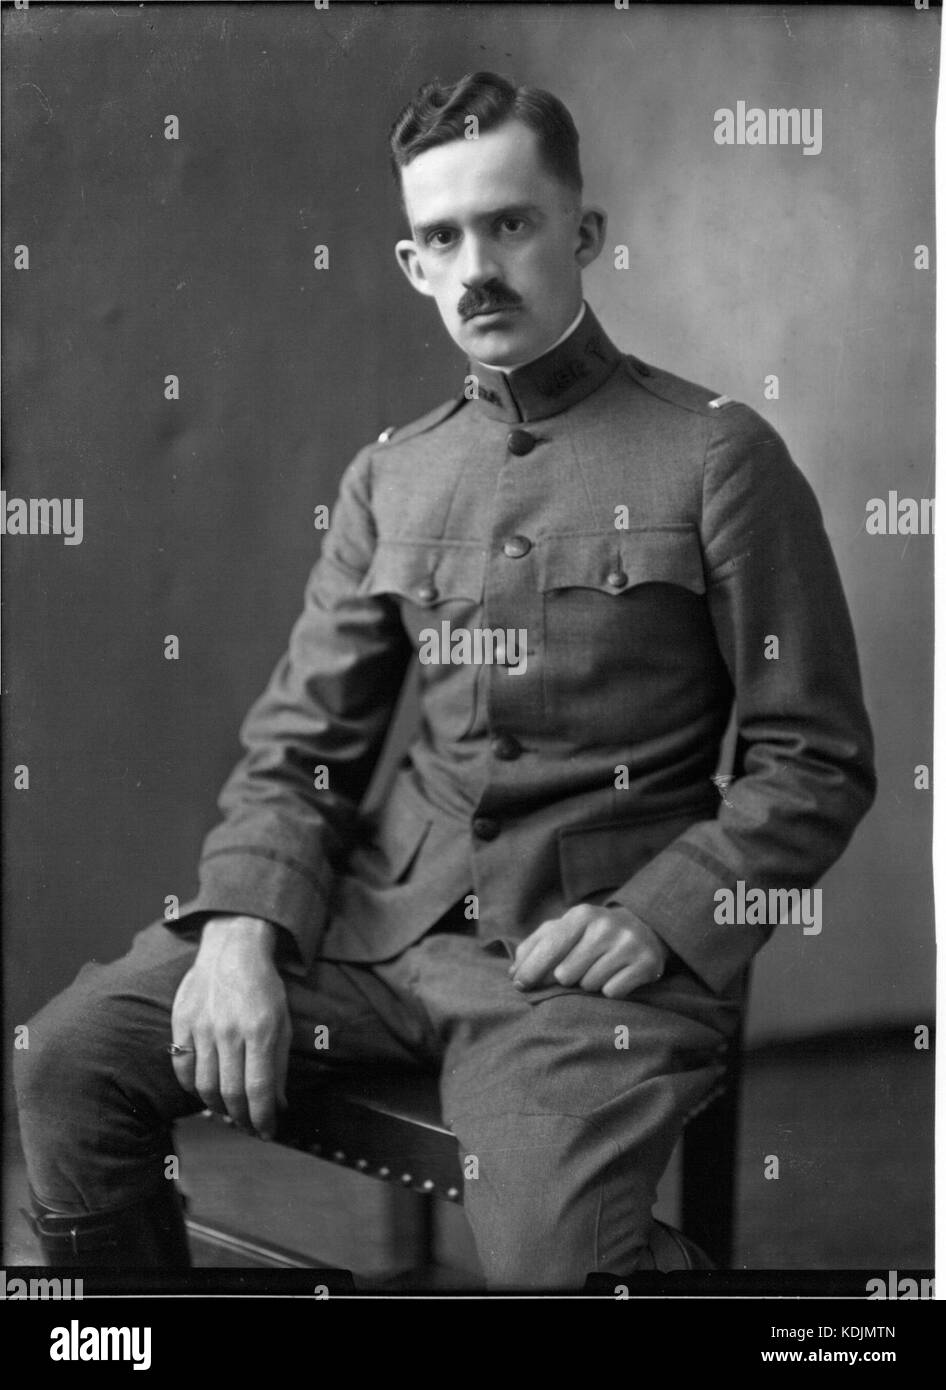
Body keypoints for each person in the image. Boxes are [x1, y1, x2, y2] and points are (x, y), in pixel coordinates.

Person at [14, 70, 876, 1289]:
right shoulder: (392, 477)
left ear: (582, 235)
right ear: (412, 263)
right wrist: (242, 928)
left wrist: (660, 916)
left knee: (551, 1266)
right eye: (441, 237)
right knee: (65, 1060)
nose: (476, 267)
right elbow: (301, 745)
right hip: (373, 935)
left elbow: (816, 758)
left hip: (572, 971)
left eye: (510, 224)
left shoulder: (717, 456)